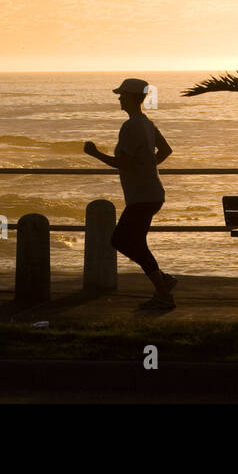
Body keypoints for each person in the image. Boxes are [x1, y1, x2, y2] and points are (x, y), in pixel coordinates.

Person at [83, 78, 178, 309]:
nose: (119, 98)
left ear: (132, 98)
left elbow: (122, 163)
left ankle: (164, 291)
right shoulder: (146, 123)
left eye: (122, 94)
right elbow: (166, 150)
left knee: (122, 240)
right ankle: (162, 282)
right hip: (152, 193)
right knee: (133, 241)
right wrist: (149, 168)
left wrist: (95, 154)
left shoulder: (131, 126)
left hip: (142, 196)